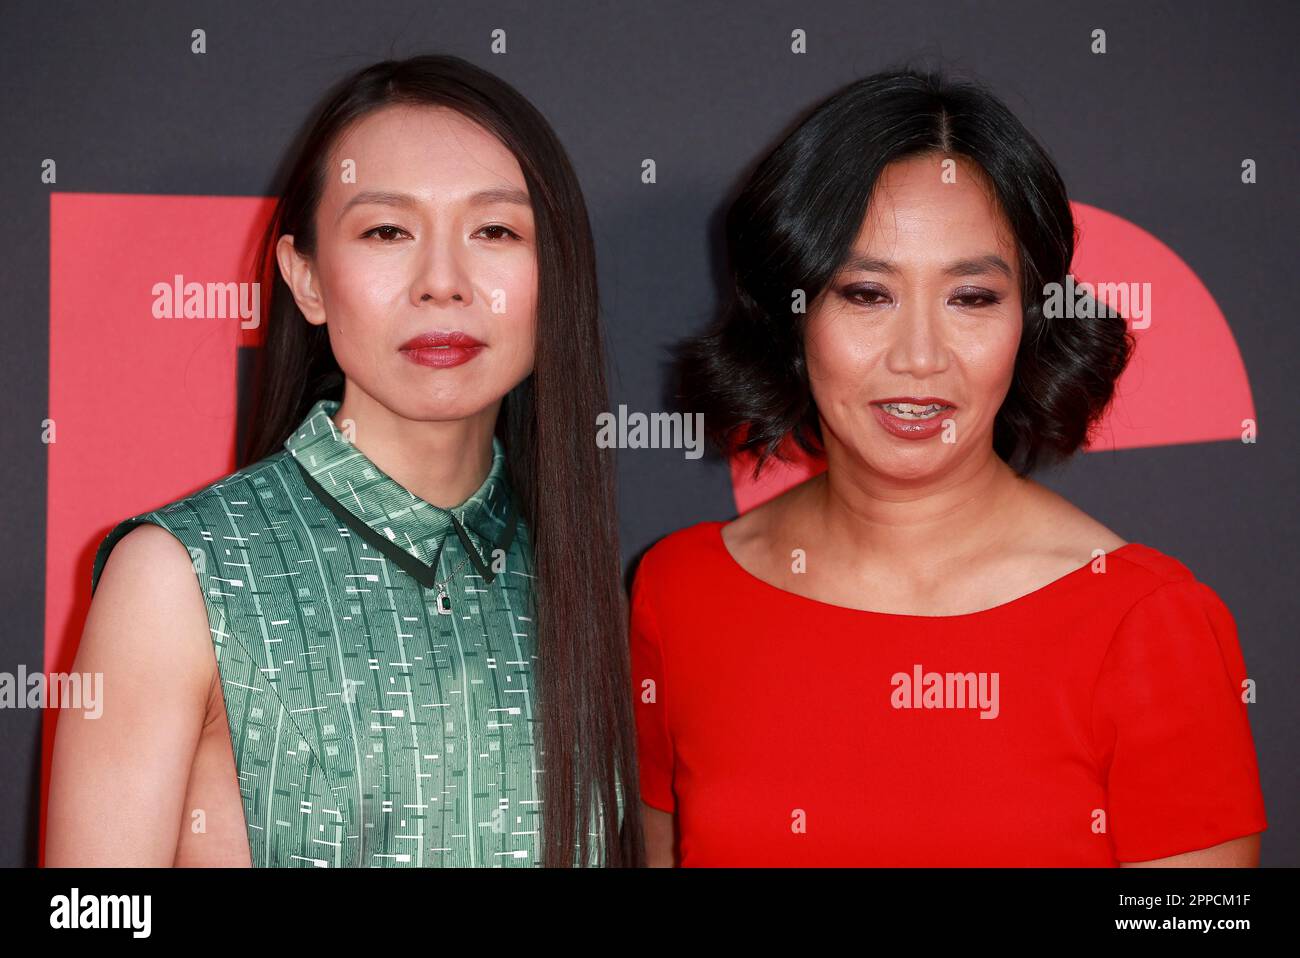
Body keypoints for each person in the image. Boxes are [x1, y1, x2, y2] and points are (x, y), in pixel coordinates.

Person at [631, 67, 1267, 867]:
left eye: (971, 298)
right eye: (866, 293)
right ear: (793, 316)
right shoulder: (681, 591)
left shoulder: (1146, 624)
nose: (920, 358)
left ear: (1029, 323)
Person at [47, 54, 639, 868]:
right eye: (387, 231)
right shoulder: (178, 577)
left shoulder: (576, 579)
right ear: (307, 279)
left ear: (557, 276)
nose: (443, 283)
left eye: (495, 231)